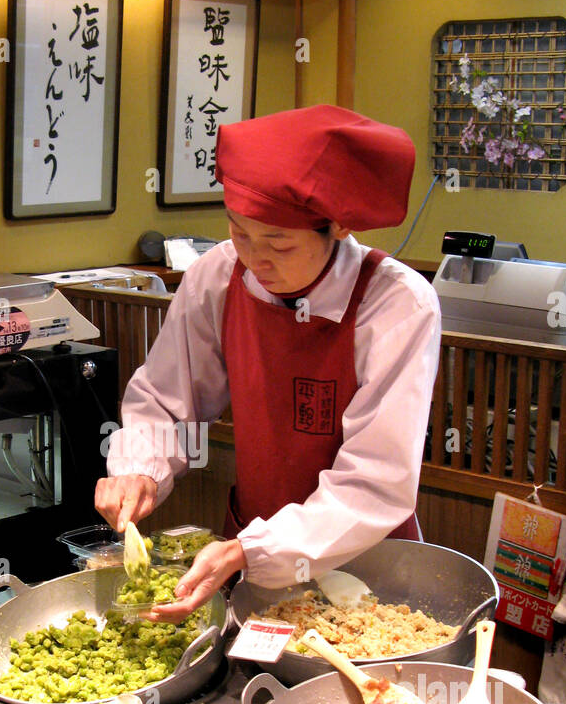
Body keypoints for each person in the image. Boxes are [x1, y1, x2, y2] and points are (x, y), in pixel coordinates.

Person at [95, 104, 441, 619]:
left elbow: (374, 481)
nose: (256, 259)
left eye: (278, 241)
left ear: (338, 227)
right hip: (247, 549)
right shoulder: (218, 276)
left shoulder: (396, 305)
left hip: (365, 561)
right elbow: (169, 401)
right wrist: (139, 470)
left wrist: (255, 550)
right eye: (240, 232)